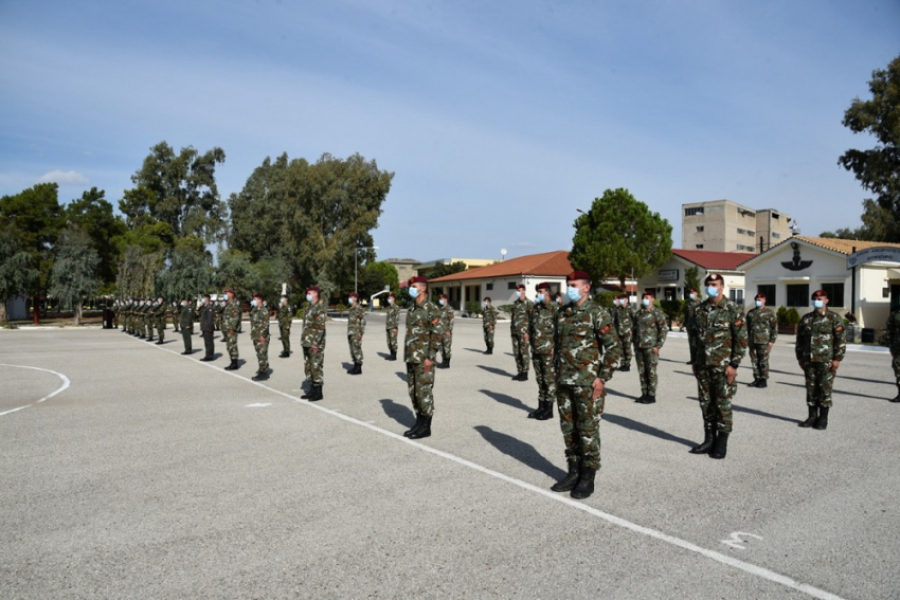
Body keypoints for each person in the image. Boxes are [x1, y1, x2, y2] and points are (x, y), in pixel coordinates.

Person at [551, 271, 621, 499]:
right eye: (568, 284)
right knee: (568, 430)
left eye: (573, 285)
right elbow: (558, 347)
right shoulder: (562, 313)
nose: (569, 288)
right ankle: (573, 471)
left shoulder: (597, 314)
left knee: (588, 430)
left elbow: (613, 349)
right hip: (564, 383)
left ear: (586, 288)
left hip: (587, 384)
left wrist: (603, 378)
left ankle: (588, 475)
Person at [689, 274, 748, 459]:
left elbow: (741, 340)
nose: (711, 288)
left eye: (714, 284)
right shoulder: (699, 310)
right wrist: (694, 361)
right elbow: (694, 339)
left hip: (723, 367)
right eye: (708, 285)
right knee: (706, 404)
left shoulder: (733, 310)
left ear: (722, 287)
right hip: (703, 366)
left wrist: (734, 364)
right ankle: (708, 440)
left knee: (722, 404)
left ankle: (721, 443)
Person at [796, 289, 846, 430]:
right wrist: (800, 357)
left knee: (824, 389)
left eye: (821, 297)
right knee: (811, 389)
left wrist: (837, 359)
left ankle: (823, 418)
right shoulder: (806, 319)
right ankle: (812, 416)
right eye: (815, 297)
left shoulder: (834, 318)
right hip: (809, 360)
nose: (817, 300)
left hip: (826, 360)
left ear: (827, 300)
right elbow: (800, 340)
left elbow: (840, 340)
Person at [403, 276, 444, 439]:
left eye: (413, 286)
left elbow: (438, 333)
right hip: (411, 357)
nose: (411, 289)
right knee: (413, 392)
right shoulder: (412, 308)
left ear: (423, 288)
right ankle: (419, 422)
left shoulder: (432, 309)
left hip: (424, 358)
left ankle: (426, 426)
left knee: (424, 392)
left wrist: (431, 357)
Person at [528, 282, 557, 420]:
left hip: (548, 351)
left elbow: (561, 331)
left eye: (541, 291)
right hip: (536, 349)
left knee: (549, 380)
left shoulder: (555, 309)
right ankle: (541, 406)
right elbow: (532, 326)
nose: (538, 294)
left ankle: (549, 409)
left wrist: (555, 347)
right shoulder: (537, 308)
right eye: (538, 291)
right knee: (540, 379)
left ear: (547, 292)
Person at [633, 291, 667, 404]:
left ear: (653, 299)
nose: (645, 299)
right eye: (644, 297)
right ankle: (644, 393)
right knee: (642, 371)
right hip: (639, 346)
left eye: (647, 297)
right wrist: (633, 343)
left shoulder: (657, 313)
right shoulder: (638, 314)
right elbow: (634, 329)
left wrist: (658, 345)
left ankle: (651, 395)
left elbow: (663, 330)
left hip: (651, 347)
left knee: (651, 371)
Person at [746, 292, 777, 388]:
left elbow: (774, 328)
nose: (758, 301)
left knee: (763, 361)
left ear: (764, 301)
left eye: (760, 299)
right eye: (756, 299)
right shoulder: (751, 313)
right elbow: (747, 327)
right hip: (752, 340)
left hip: (764, 341)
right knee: (754, 361)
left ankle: (763, 379)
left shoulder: (769, 313)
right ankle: (757, 378)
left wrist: (772, 341)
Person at [301, 286, 326, 401]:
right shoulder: (309, 308)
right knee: (309, 366)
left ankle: (318, 392)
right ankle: (311, 389)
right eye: (308, 293)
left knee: (316, 366)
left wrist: (316, 343)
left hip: (315, 343)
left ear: (316, 294)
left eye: (310, 293)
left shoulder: (319, 308)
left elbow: (320, 327)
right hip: (307, 342)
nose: (308, 295)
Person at [510, 283, 534, 381]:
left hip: (524, 332)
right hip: (515, 331)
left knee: (524, 352)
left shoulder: (529, 303)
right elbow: (513, 317)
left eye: (519, 290)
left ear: (524, 291)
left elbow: (532, 319)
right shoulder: (515, 303)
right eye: (517, 290)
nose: (518, 292)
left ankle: (525, 373)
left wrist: (528, 332)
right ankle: (519, 371)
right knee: (516, 353)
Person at [250, 293, 271, 381]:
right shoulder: (255, 310)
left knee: (262, 354)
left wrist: (263, 336)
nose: (253, 301)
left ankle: (264, 373)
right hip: (256, 335)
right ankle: (262, 368)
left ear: (259, 300)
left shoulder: (264, 311)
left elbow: (265, 325)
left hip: (262, 336)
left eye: (255, 299)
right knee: (259, 354)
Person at [882, 307, 900, 403]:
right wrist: (889, 344)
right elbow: (889, 330)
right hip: (897, 346)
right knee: (898, 367)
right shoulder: (895, 314)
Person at [346, 292, 366, 375]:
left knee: (357, 349)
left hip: (356, 332)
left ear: (355, 299)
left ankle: (358, 368)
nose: (350, 298)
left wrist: (361, 332)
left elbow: (363, 321)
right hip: (350, 332)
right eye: (350, 297)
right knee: (352, 350)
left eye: (351, 297)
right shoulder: (351, 309)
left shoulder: (359, 309)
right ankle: (355, 365)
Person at [222, 289, 242, 371]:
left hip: (231, 329)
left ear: (231, 295)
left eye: (227, 293)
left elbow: (236, 317)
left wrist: (233, 328)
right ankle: (232, 361)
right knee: (229, 346)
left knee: (232, 346)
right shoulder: (228, 304)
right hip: (227, 328)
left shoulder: (234, 305)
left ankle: (234, 363)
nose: (225, 295)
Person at [613, 294, 633, 372]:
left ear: (627, 300)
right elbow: (615, 321)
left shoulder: (630, 309)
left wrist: (632, 330)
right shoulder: (618, 310)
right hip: (619, 332)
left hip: (627, 332)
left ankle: (627, 365)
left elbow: (635, 321)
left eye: (623, 299)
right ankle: (623, 364)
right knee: (621, 349)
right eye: (620, 298)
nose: (621, 300)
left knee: (627, 349)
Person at [684, 289, 702, 365]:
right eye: (690, 292)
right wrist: (684, 323)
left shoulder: (700, 302)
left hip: (698, 325)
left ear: (696, 293)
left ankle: (699, 360)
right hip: (690, 325)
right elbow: (686, 314)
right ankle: (693, 359)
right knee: (691, 343)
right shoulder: (688, 303)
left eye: (692, 292)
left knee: (698, 343)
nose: (691, 294)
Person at [437, 293, 454, 368]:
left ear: (446, 299)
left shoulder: (449, 309)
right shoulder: (441, 309)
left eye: (441, 298)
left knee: (447, 347)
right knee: (441, 347)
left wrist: (449, 330)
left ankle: (447, 363)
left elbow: (451, 321)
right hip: (440, 332)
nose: (440, 300)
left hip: (446, 331)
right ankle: (443, 361)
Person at [199, 295, 216, 361]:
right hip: (205, 328)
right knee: (207, 342)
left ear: (207, 299)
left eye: (203, 298)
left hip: (208, 328)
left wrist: (208, 328)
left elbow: (210, 319)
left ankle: (210, 356)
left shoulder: (209, 308)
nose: (202, 300)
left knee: (209, 342)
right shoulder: (204, 307)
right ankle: (208, 354)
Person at [385, 292, 400, 361]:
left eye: (390, 298)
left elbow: (397, 317)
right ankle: (391, 354)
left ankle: (394, 355)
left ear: (393, 298)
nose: (389, 299)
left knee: (393, 341)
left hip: (393, 327)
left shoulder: (396, 307)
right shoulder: (389, 307)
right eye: (388, 298)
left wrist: (395, 327)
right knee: (389, 341)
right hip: (388, 327)